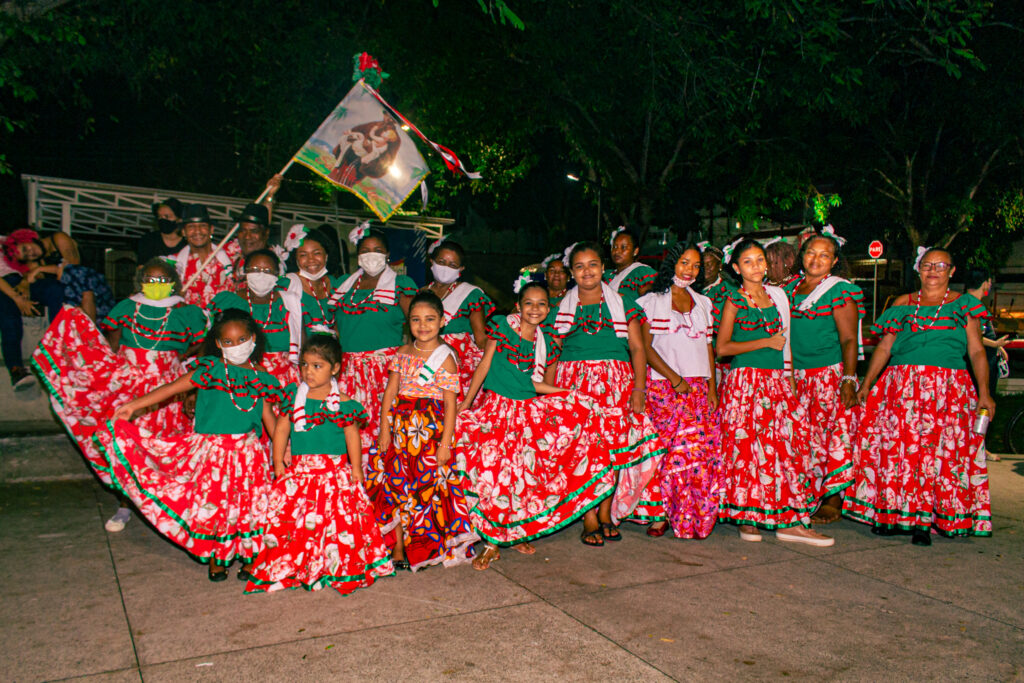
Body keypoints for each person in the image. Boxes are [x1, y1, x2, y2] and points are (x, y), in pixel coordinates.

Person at [33, 257, 208, 532]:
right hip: (129, 385)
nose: (156, 285)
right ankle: (125, 506)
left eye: (163, 280)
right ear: (141, 281)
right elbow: (112, 345)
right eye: (150, 280)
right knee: (124, 447)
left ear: (173, 283)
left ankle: (171, 507)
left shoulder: (187, 312)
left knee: (165, 448)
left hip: (168, 392)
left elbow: (202, 343)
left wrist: (181, 363)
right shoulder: (127, 306)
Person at [103, 309, 280, 580]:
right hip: (214, 453)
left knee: (248, 505)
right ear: (219, 344)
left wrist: (284, 449)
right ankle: (217, 557)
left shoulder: (262, 376)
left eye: (242, 339)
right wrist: (132, 406)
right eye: (228, 342)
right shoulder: (210, 369)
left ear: (254, 339)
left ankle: (248, 555)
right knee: (215, 505)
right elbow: (171, 388)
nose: (236, 346)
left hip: (249, 453)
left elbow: (267, 414)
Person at [455, 279, 617, 570]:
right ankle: (493, 542)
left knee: (523, 476)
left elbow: (536, 385)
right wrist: (466, 404)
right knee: (496, 476)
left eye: (542, 304)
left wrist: (569, 395)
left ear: (548, 308)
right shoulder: (503, 327)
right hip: (497, 410)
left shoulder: (545, 341)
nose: (535, 309)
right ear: (518, 305)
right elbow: (484, 366)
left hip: (525, 415)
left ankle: (516, 532)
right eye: (529, 303)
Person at [845, 247, 994, 546]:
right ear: (918, 269)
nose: (933, 270)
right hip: (901, 388)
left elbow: (977, 350)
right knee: (898, 451)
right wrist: (866, 384)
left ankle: (925, 520)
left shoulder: (964, 305)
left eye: (941, 265)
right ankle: (891, 514)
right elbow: (885, 348)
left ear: (952, 271)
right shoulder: (902, 304)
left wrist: (985, 393)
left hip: (947, 390)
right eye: (927, 265)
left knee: (937, 454)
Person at [244, 335, 394, 594]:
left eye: (317, 366)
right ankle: (297, 563)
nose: (308, 371)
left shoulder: (344, 404)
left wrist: (356, 467)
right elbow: (281, 430)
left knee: (337, 522)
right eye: (304, 364)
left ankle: (335, 565)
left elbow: (352, 436)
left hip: (334, 473)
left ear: (335, 368)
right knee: (298, 521)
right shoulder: (293, 396)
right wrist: (278, 460)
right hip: (301, 472)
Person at [715, 237, 833, 546]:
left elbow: (787, 340)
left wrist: (789, 377)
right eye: (748, 262)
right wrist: (764, 343)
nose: (756, 266)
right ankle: (748, 515)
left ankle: (788, 520)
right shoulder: (734, 300)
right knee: (746, 451)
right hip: (744, 382)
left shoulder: (777, 295)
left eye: (760, 260)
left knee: (783, 448)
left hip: (775, 381)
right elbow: (722, 347)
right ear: (736, 268)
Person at [550, 241, 665, 547]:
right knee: (584, 452)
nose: (587, 271)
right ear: (571, 273)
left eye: (593, 265)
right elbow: (551, 350)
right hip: (575, 385)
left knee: (613, 451)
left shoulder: (622, 301)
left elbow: (638, 348)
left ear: (603, 268)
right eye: (579, 266)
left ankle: (605, 514)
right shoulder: (560, 307)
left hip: (616, 383)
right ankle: (588, 517)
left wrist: (639, 388)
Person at [366, 291, 475, 572]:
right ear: (408, 323)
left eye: (429, 319)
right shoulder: (402, 354)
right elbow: (390, 392)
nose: (422, 325)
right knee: (395, 485)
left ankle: (426, 544)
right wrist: (384, 429)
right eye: (416, 319)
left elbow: (450, 405)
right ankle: (399, 544)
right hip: (401, 431)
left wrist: (445, 444)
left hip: (429, 434)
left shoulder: (446, 358)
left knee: (426, 490)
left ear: (442, 322)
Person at [630, 243, 723, 539]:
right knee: (667, 453)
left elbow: (707, 347)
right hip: (663, 386)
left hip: (697, 387)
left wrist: (712, 386)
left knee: (695, 455)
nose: (690, 270)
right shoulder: (651, 302)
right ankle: (659, 514)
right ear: (672, 264)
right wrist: (674, 379)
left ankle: (693, 514)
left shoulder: (704, 304)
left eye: (696, 266)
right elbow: (644, 348)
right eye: (685, 263)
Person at [784, 230, 864, 524]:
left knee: (833, 436)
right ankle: (808, 494)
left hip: (828, 375)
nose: (816, 259)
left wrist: (849, 379)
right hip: (796, 376)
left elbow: (848, 340)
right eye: (810, 253)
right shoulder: (790, 289)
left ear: (834, 261)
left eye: (824, 255)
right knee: (804, 438)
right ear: (801, 256)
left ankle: (833, 498)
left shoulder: (840, 291)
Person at [328, 225, 416, 451]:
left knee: (385, 428)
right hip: (348, 370)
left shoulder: (400, 285)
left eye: (377, 249)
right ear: (357, 256)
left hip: (385, 371)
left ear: (387, 255)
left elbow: (419, 324)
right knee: (349, 429)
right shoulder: (343, 286)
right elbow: (336, 326)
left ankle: (383, 481)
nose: (371, 254)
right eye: (365, 250)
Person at [211, 249, 302, 387]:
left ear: (278, 274)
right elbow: (210, 343)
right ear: (245, 271)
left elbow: (303, 344)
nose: (261, 274)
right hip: (240, 378)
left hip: (285, 382)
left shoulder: (289, 302)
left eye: (267, 270)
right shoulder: (228, 301)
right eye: (254, 269)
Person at [424, 237, 494, 403]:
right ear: (431, 261)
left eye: (452, 265)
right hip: (427, 363)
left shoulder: (470, 294)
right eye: (441, 261)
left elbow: (480, 338)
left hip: (460, 367)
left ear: (461, 269)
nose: (445, 268)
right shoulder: (421, 294)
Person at [2, 227, 114, 322]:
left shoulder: (58, 238)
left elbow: (72, 266)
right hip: (73, 298)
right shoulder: (35, 262)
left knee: (75, 280)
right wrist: (24, 284)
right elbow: (32, 278)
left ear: (28, 239)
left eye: (26, 248)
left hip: (92, 287)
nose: (30, 253)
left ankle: (85, 335)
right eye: (26, 256)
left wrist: (40, 269)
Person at [1, 230, 65, 387]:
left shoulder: (8, 241)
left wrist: (25, 283)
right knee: (8, 315)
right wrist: (17, 299)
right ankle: (16, 369)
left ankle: (58, 346)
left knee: (54, 289)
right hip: (3, 288)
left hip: (20, 280)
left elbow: (29, 266)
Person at [964, 268, 1008, 462]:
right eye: (990, 282)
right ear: (985, 282)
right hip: (978, 364)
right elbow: (974, 337)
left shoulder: (969, 303)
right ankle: (979, 447)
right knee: (981, 405)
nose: (990, 285)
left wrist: (997, 348)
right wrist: (996, 344)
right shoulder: (971, 304)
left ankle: (979, 445)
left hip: (981, 361)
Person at [172, 204, 237, 308]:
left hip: (224, 321)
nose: (197, 231)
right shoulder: (174, 264)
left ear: (211, 229)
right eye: (191, 227)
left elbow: (258, 234)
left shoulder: (229, 253)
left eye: (202, 226)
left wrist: (269, 199)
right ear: (183, 232)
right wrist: (173, 297)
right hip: (190, 322)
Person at [283, 224, 342, 336]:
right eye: (303, 255)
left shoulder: (337, 284)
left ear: (326, 256)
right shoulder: (287, 285)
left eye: (317, 253)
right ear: (296, 259)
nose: (311, 260)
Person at [604, 226, 657, 296]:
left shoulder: (642, 273)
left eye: (623, 247)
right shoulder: (606, 275)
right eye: (615, 247)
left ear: (635, 251)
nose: (617, 251)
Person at [136, 198, 185, 265]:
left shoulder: (188, 242)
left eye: (167, 216)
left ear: (179, 219)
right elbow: (141, 267)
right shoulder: (149, 240)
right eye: (159, 217)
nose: (162, 220)